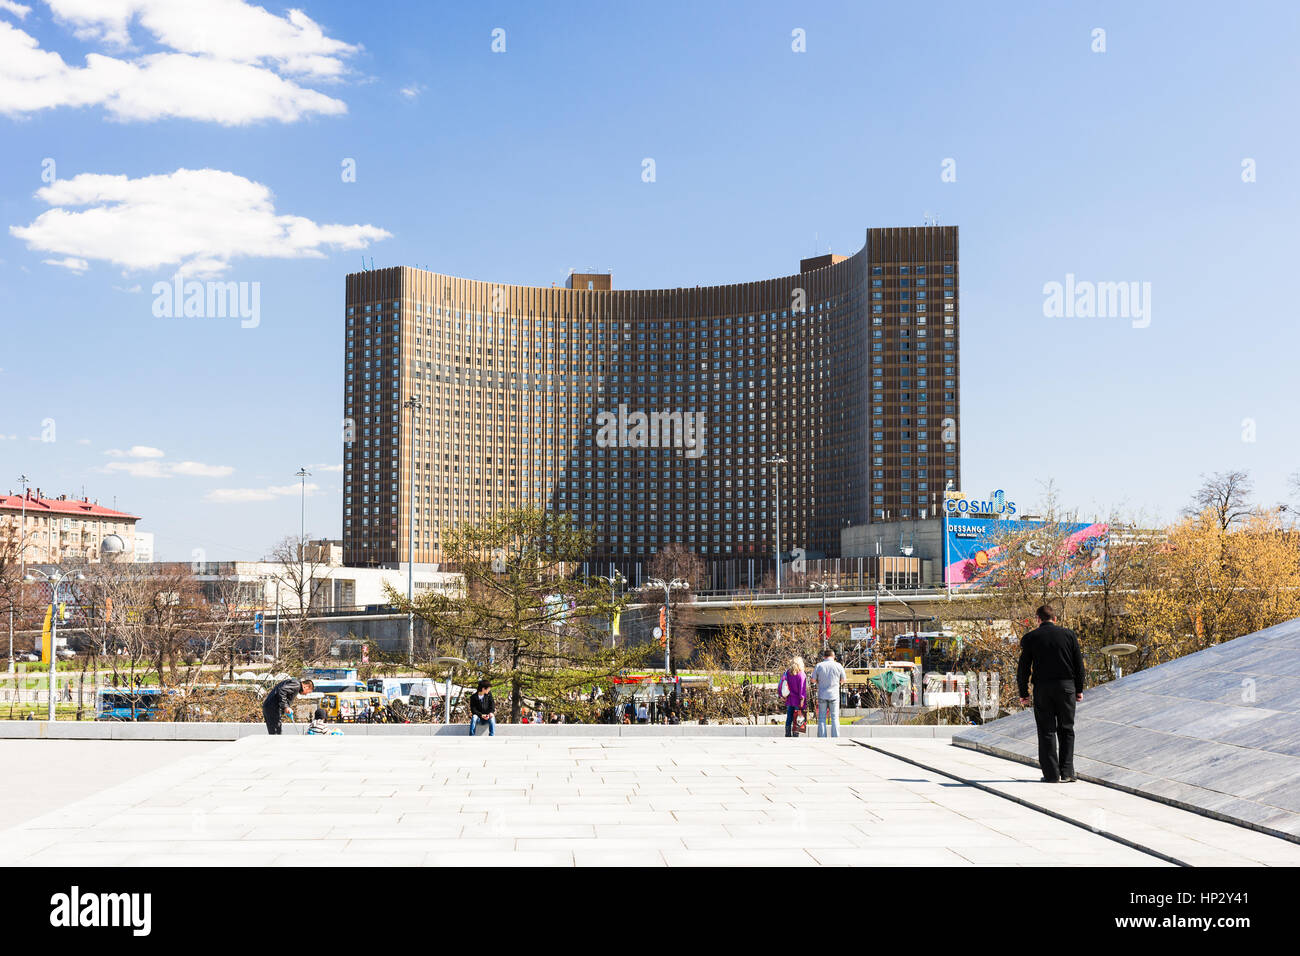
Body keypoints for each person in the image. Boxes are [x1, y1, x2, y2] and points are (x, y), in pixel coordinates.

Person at [1017, 604, 1086, 783]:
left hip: (1043, 689)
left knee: (1046, 730)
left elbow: (1023, 668)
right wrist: (1079, 689)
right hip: (1066, 687)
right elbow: (1079, 665)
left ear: (1038, 620)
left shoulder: (1031, 638)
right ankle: (1068, 772)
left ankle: (1051, 774)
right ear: (1055, 619)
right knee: (1067, 729)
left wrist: (1024, 692)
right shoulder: (1069, 635)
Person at [812, 648, 847, 738]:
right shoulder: (838, 665)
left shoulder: (819, 666)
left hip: (822, 694)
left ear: (824, 657)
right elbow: (843, 680)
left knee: (822, 718)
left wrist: (818, 682)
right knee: (835, 718)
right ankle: (835, 737)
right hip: (834, 695)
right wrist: (838, 682)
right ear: (833, 656)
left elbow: (813, 680)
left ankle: (822, 737)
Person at [780, 656, 808, 738]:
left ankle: (787, 734)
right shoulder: (801, 674)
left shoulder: (788, 673)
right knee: (798, 717)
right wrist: (802, 698)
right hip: (798, 700)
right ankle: (796, 734)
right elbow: (802, 688)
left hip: (789, 699)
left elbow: (784, 684)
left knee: (789, 717)